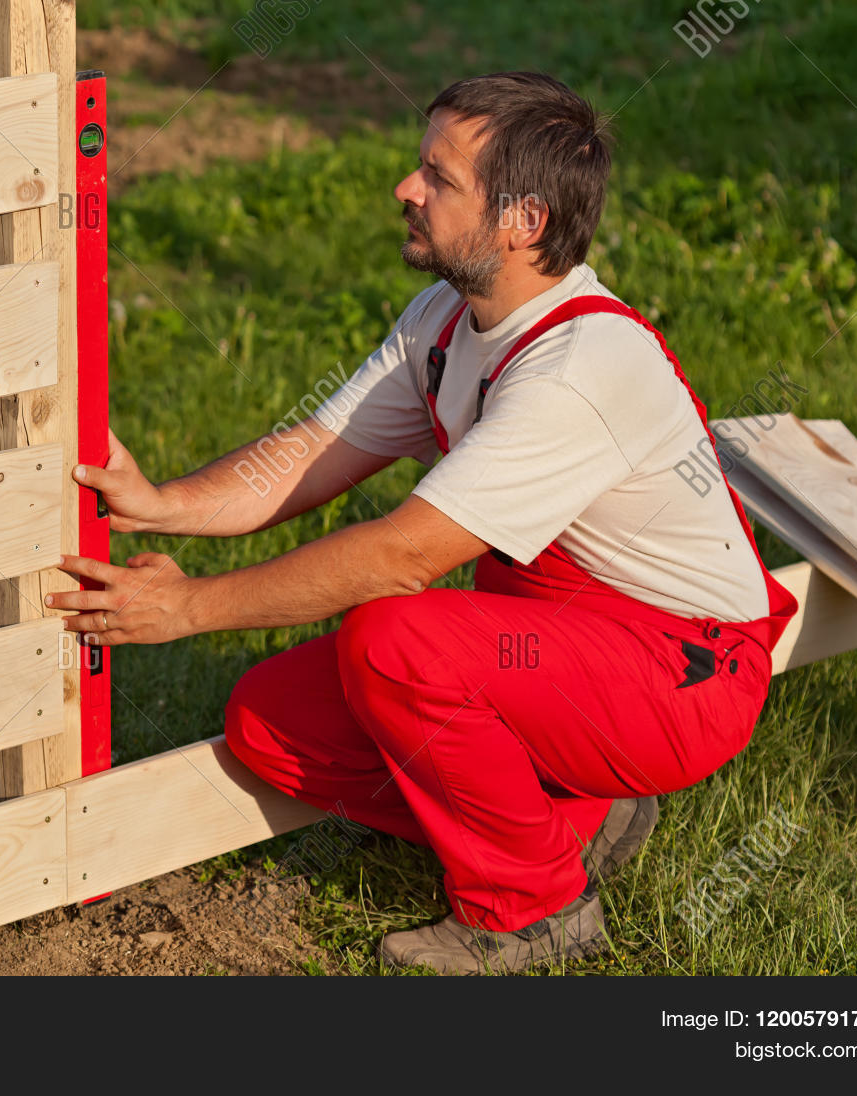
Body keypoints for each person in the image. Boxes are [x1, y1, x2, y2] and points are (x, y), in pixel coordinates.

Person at [44, 71, 797, 974]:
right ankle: (569, 815)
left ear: (524, 223)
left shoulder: (575, 368)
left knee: (396, 645)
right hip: (566, 643)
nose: (406, 189)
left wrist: (188, 609)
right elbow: (317, 448)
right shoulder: (447, 318)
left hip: (680, 672)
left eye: (438, 178)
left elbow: (403, 555)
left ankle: (533, 908)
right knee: (271, 722)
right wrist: (164, 503)